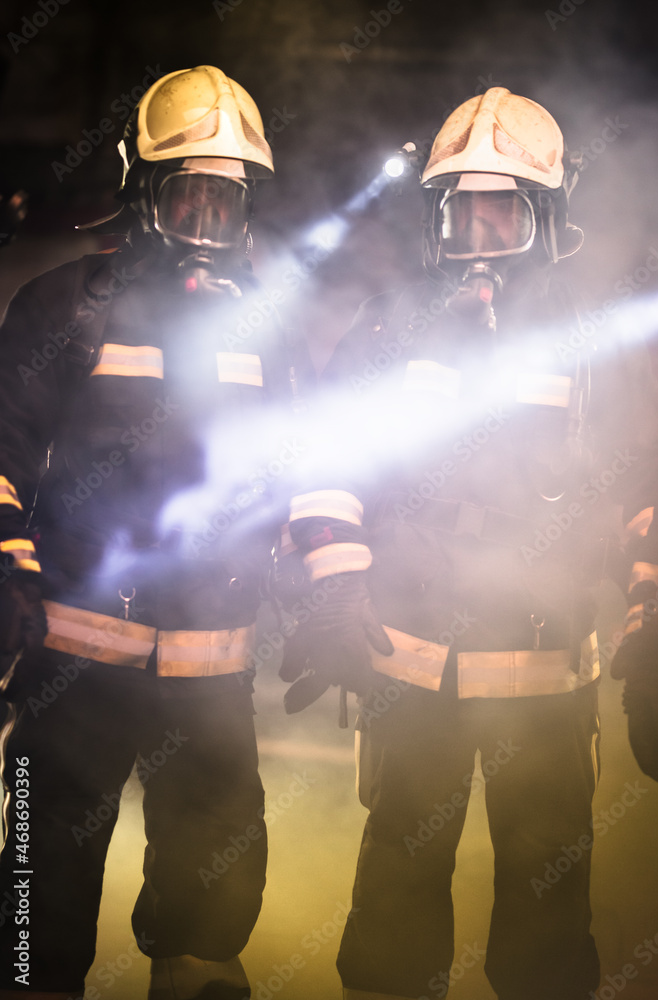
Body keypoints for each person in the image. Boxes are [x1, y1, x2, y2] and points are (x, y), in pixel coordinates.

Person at [279, 87, 658, 1000]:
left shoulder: (592, 337)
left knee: (543, 919)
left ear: (547, 216)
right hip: (410, 671)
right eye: (462, 209)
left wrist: (653, 616)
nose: (480, 232)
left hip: (545, 685)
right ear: (435, 215)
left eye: (504, 209)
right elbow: (323, 457)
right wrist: (336, 580)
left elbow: (644, 486)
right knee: (395, 902)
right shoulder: (390, 320)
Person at [0, 65, 299, 1000]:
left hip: (213, 685)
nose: (204, 225)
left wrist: (330, 578)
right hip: (73, 672)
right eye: (187, 198)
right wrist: (6, 575)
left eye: (223, 201)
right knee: (30, 925)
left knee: (210, 930)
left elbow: (307, 470)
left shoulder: (270, 327)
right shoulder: (63, 309)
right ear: (142, 196)